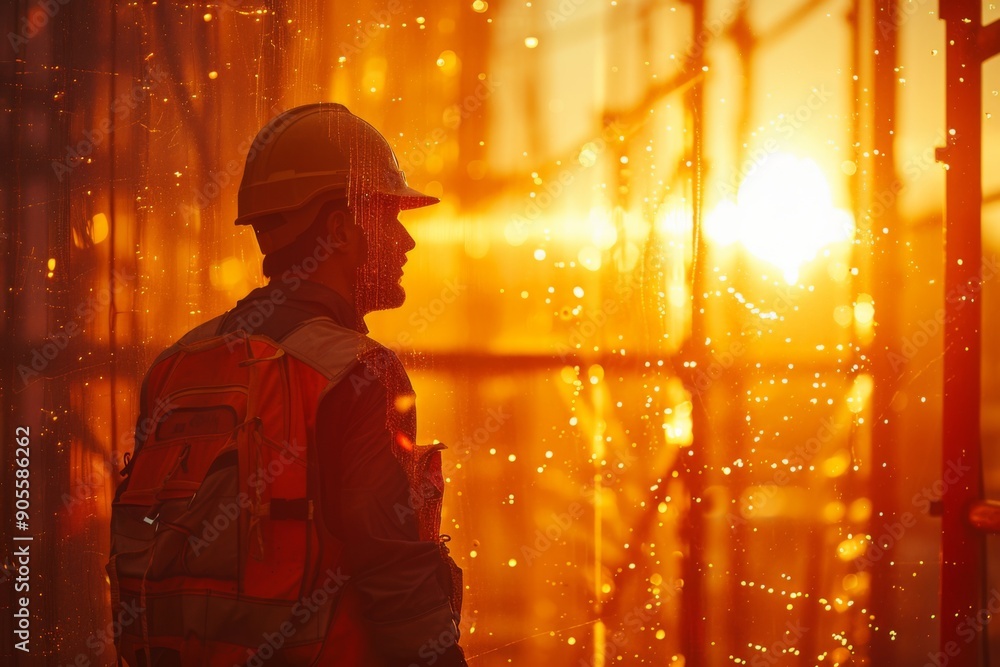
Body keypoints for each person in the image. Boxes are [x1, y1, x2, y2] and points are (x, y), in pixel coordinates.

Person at [108, 103, 467, 667]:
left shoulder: (177, 365)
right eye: (388, 217)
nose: (406, 242)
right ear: (339, 228)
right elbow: (396, 578)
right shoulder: (358, 372)